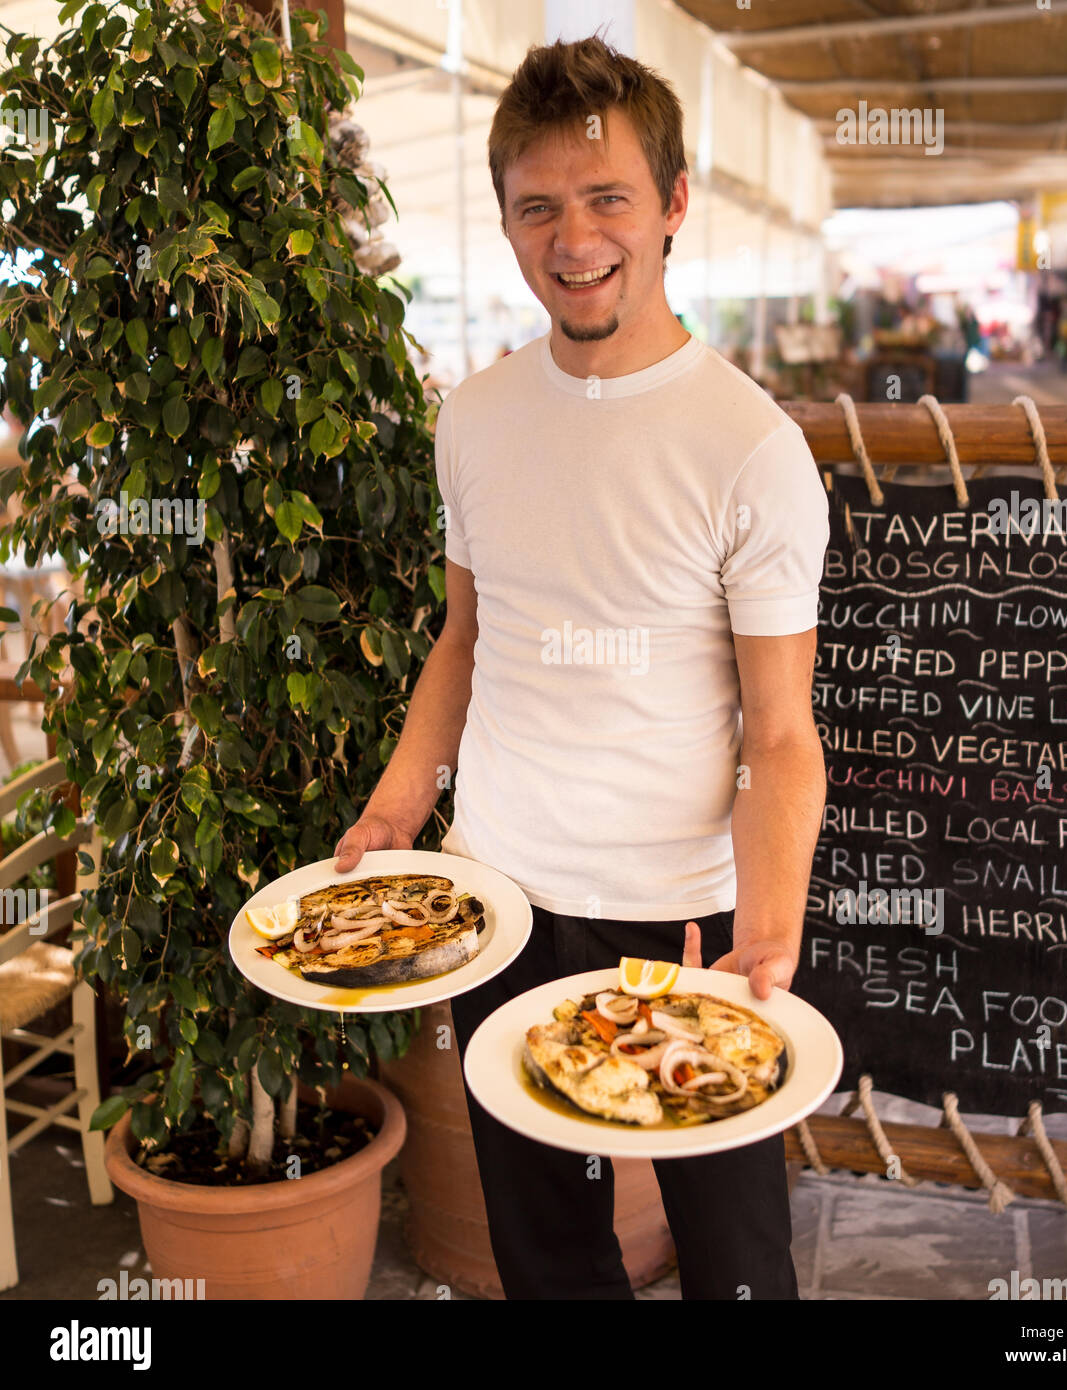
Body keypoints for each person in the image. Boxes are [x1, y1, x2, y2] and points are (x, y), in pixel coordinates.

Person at [333, 35, 829, 1300]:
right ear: (504, 220)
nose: (575, 236)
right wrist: (399, 810)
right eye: (538, 205)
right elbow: (466, 635)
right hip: (501, 897)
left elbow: (777, 730)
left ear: (669, 206)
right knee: (541, 1245)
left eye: (607, 197)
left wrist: (765, 934)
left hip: (686, 917)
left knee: (735, 1256)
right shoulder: (474, 418)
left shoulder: (748, 447)